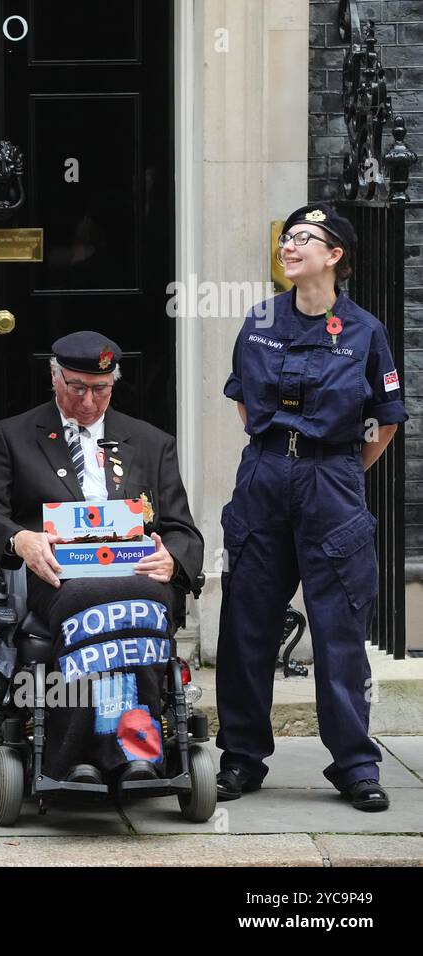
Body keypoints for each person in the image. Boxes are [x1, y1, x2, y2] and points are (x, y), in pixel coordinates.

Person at [215, 202, 406, 812]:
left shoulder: (364, 331)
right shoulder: (260, 319)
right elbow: (245, 401)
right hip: (266, 476)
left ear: (335, 255)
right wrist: (283, 454)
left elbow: (387, 421)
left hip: (333, 479)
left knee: (339, 627)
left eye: (305, 239)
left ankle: (353, 762)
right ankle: (242, 756)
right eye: (288, 237)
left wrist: (340, 469)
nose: (290, 246)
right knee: (247, 623)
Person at [0, 331, 204, 784]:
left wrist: (172, 558)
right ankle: (98, 752)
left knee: (132, 600)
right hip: (59, 579)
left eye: (101, 388)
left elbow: (182, 529)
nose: (89, 401)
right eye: (77, 387)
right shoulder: (14, 436)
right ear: (54, 377)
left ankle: (115, 751)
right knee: (92, 600)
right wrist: (20, 540)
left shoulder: (151, 442)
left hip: (137, 574)